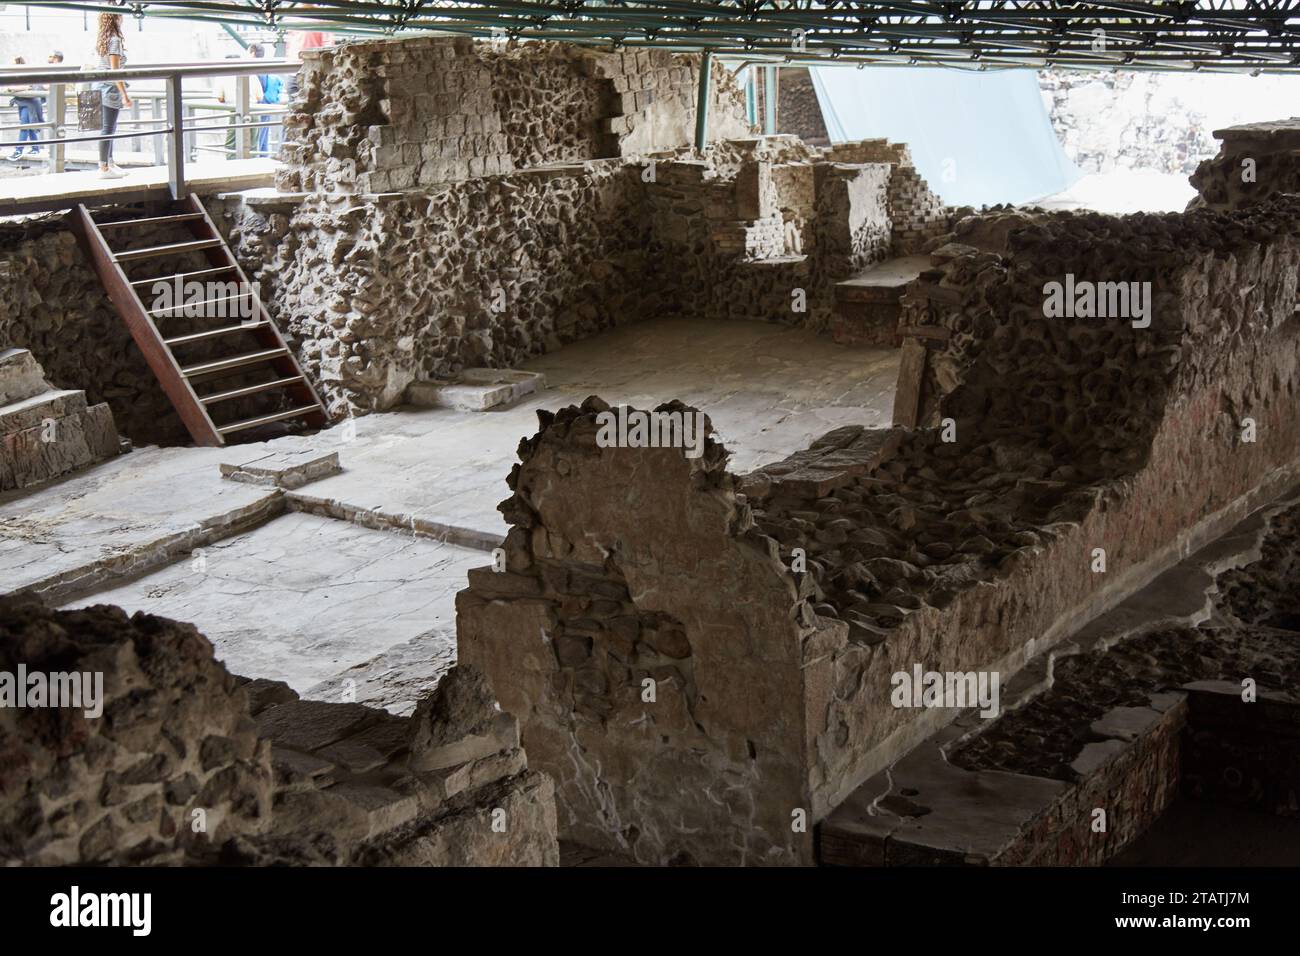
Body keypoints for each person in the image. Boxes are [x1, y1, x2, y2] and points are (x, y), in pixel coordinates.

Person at [95, 13, 132, 179]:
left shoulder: (104, 38)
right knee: (108, 128)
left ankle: (109, 163)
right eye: (121, 16)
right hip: (110, 89)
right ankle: (104, 167)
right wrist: (125, 95)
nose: (122, 19)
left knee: (110, 127)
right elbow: (115, 71)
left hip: (102, 86)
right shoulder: (115, 40)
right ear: (116, 19)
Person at [7, 57, 44, 161]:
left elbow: (28, 86)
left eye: (13, 64)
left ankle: (18, 151)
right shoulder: (16, 76)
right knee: (29, 125)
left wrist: (11, 88)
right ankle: (35, 148)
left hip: (30, 103)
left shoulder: (26, 74)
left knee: (24, 126)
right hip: (22, 102)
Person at [249, 43, 281, 157]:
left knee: (259, 135)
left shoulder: (255, 69)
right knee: (264, 134)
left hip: (259, 105)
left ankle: (259, 157)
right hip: (267, 103)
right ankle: (263, 156)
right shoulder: (264, 66)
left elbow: (259, 90)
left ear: (252, 53)